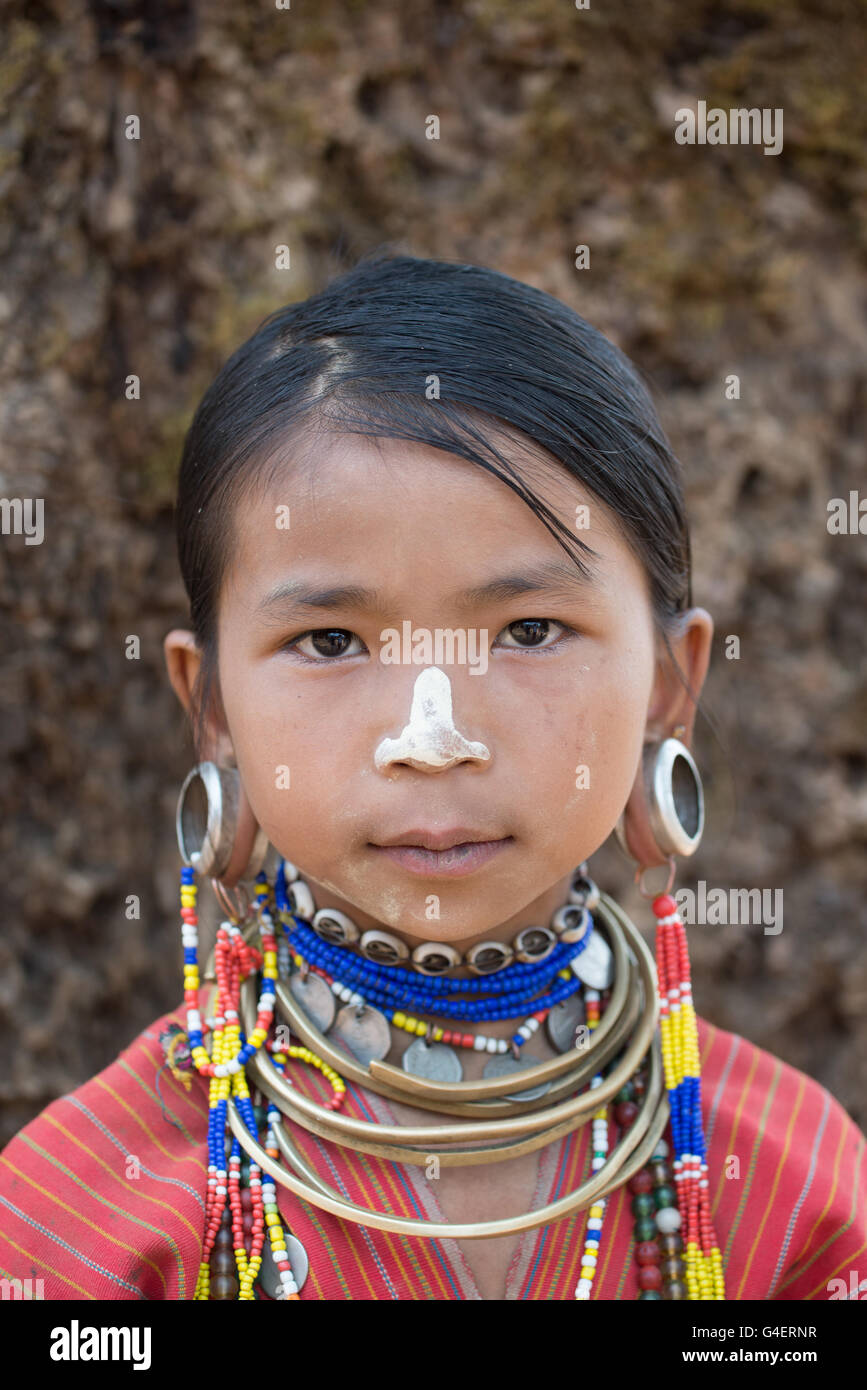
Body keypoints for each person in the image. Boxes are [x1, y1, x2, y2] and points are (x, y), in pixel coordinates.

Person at [1, 252, 864, 1302]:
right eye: (330, 640)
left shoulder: (793, 1195)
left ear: (670, 683)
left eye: (531, 628)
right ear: (212, 706)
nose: (434, 737)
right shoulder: (83, 1229)